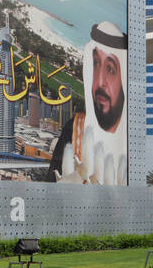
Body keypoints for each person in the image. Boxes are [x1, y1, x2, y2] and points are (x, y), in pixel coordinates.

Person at [44, 21, 127, 184]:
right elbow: (51, 189)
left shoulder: (131, 137)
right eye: (96, 64)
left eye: (110, 69)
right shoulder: (74, 129)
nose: (100, 81)